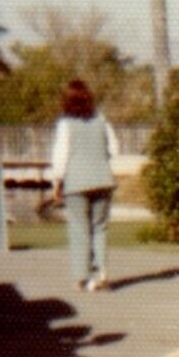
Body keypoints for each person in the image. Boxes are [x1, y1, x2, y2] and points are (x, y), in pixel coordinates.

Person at [50, 79, 120, 291]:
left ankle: (82, 276)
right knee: (100, 227)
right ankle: (101, 273)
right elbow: (114, 149)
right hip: (103, 179)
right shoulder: (102, 120)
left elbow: (61, 155)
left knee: (79, 229)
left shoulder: (65, 124)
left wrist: (57, 181)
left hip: (76, 182)